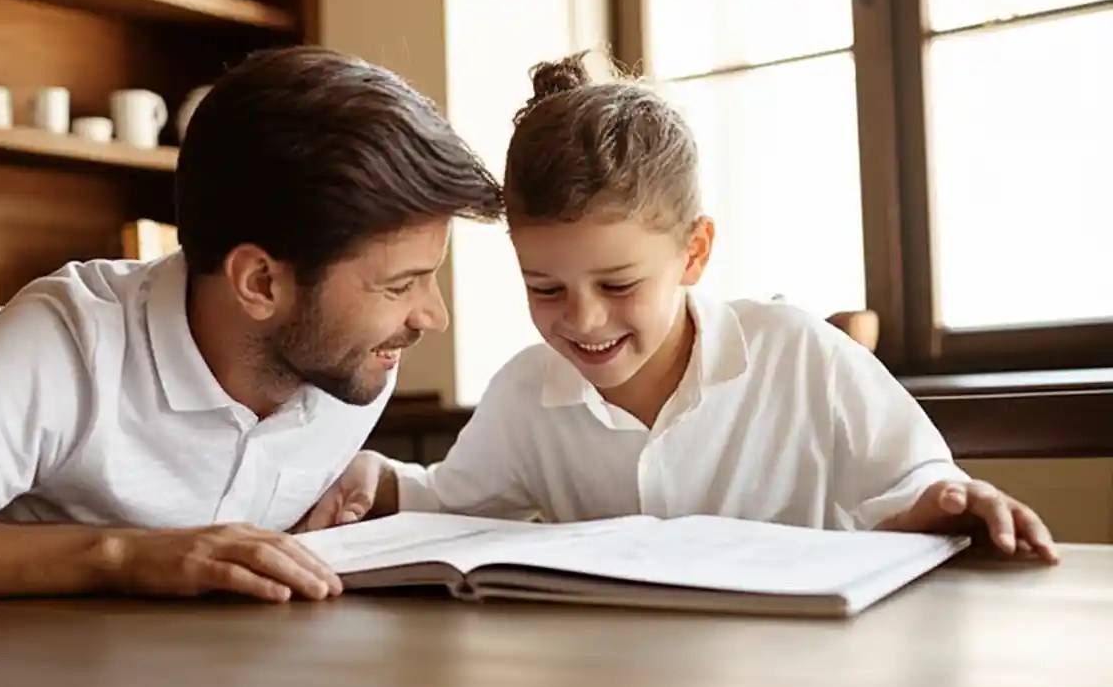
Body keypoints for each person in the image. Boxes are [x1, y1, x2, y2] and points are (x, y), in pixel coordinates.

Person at [303, 51, 1059, 563]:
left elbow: (910, 486)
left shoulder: (797, 354)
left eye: (619, 285)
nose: (583, 321)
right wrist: (379, 478)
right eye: (545, 288)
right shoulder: (526, 394)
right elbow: (453, 497)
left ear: (694, 252)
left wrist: (949, 501)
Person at [0, 46, 503, 601]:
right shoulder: (69, 343)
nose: (431, 316)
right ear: (261, 283)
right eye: (400, 285)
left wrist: (338, 483)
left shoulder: (351, 358)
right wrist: (122, 555)